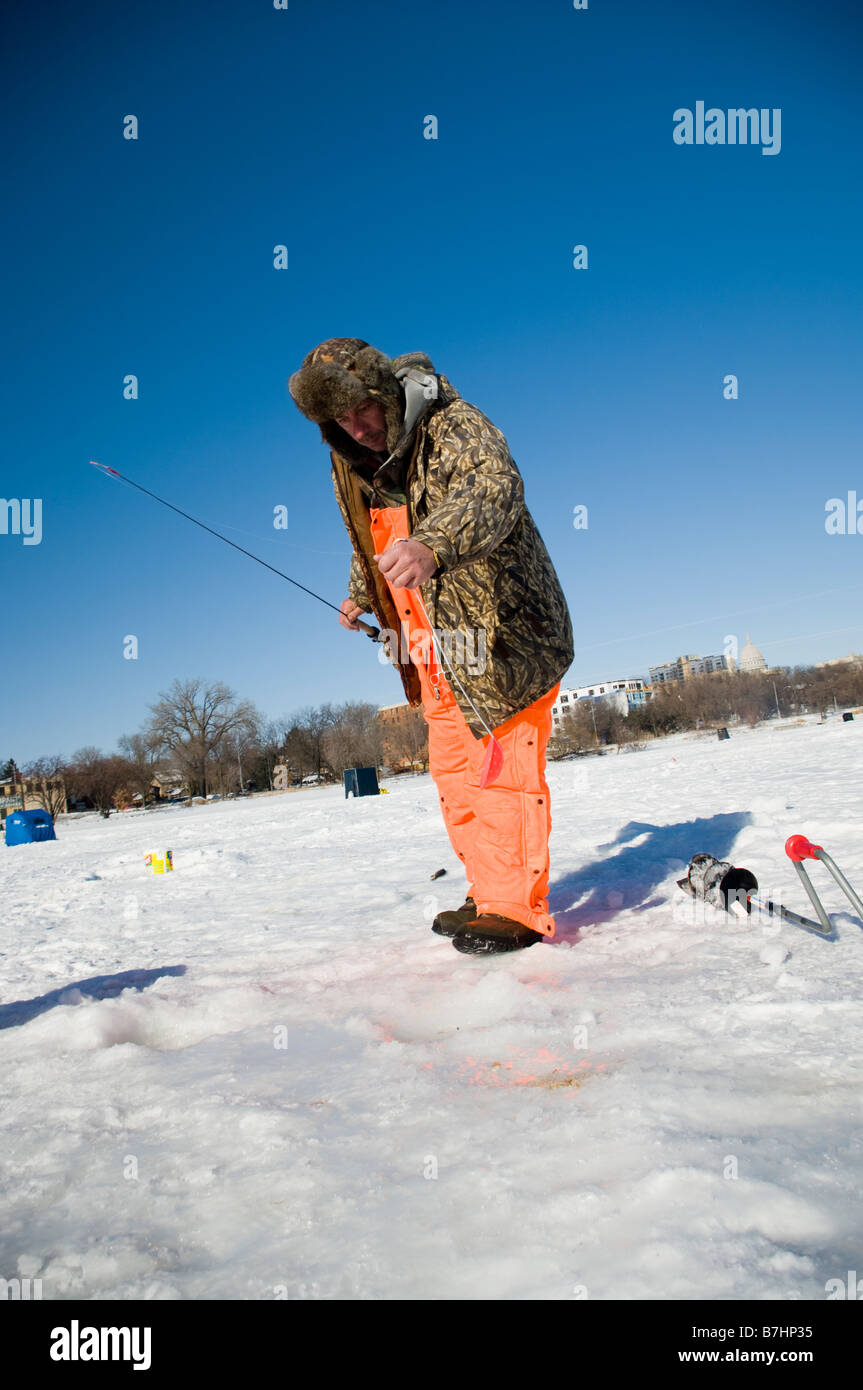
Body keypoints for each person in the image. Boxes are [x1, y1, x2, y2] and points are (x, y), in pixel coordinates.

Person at [289, 339, 573, 954]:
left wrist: (433, 544)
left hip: (501, 639)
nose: (356, 428)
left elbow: (493, 490)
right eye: (339, 420)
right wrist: (362, 589)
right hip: (432, 652)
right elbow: (374, 538)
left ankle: (514, 908)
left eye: (362, 409)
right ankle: (487, 890)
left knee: (501, 773)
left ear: (385, 389)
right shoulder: (358, 466)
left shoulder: (453, 424)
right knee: (456, 779)